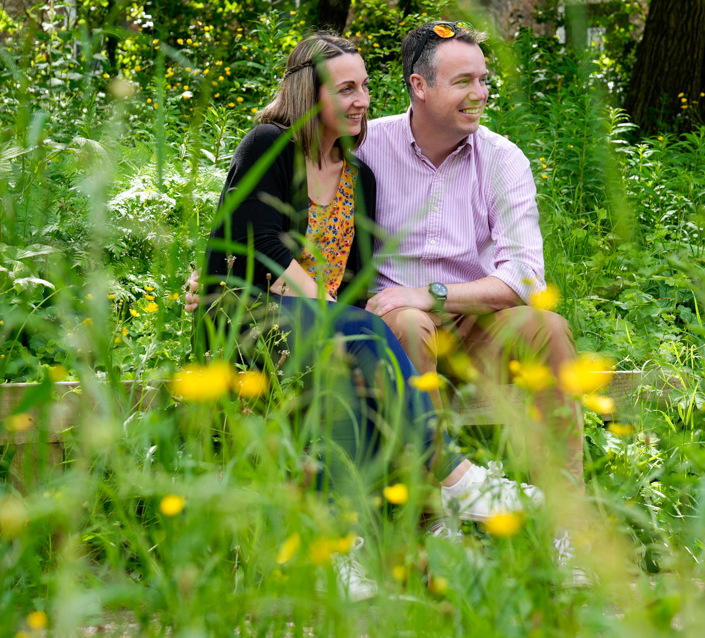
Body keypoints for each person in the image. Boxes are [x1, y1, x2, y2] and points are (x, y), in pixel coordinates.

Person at [183, 32, 543, 598]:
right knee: (362, 335)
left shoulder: (359, 177)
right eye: (346, 89)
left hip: (321, 327)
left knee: (348, 378)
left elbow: (354, 281)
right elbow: (257, 243)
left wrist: (336, 318)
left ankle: (346, 552)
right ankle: (454, 478)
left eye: (366, 87)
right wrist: (329, 312)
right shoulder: (269, 145)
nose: (363, 100)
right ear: (310, 93)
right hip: (243, 318)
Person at [357, 22, 584, 507]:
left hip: (476, 324)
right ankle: (434, 512)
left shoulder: (502, 159)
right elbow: (297, 219)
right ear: (419, 86)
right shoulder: (366, 148)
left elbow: (525, 278)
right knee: (410, 321)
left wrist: (433, 293)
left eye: (483, 80)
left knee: (551, 330)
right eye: (464, 82)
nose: (479, 93)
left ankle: (569, 519)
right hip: (395, 327)